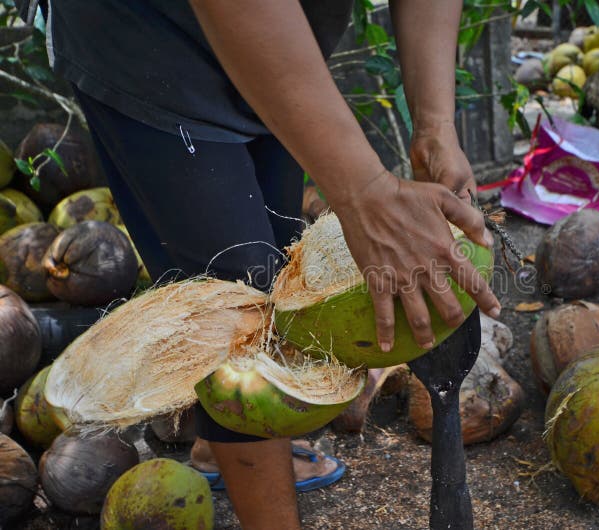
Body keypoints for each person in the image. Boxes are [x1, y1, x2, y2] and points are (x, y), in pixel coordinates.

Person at [47, 1, 501, 528]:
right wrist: (365, 193)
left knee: (278, 267)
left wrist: (435, 125)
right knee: (240, 319)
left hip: (279, 40)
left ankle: (218, 449)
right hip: (153, 41)